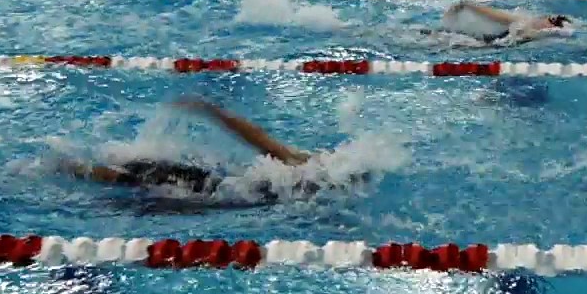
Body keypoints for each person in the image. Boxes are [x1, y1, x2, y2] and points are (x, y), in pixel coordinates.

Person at [57, 99, 361, 199]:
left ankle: (63, 166)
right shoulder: (289, 192)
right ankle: (61, 167)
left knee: (124, 173)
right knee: (120, 180)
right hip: (195, 190)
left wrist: (213, 112)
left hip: (198, 180)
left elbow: (258, 139)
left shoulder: (297, 165)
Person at [435, 0, 574, 44]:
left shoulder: (532, 30)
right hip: (471, 42)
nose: (543, 18)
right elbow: (495, 16)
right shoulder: (522, 22)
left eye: (549, 19)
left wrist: (468, 5)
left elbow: (494, 15)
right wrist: (467, 5)